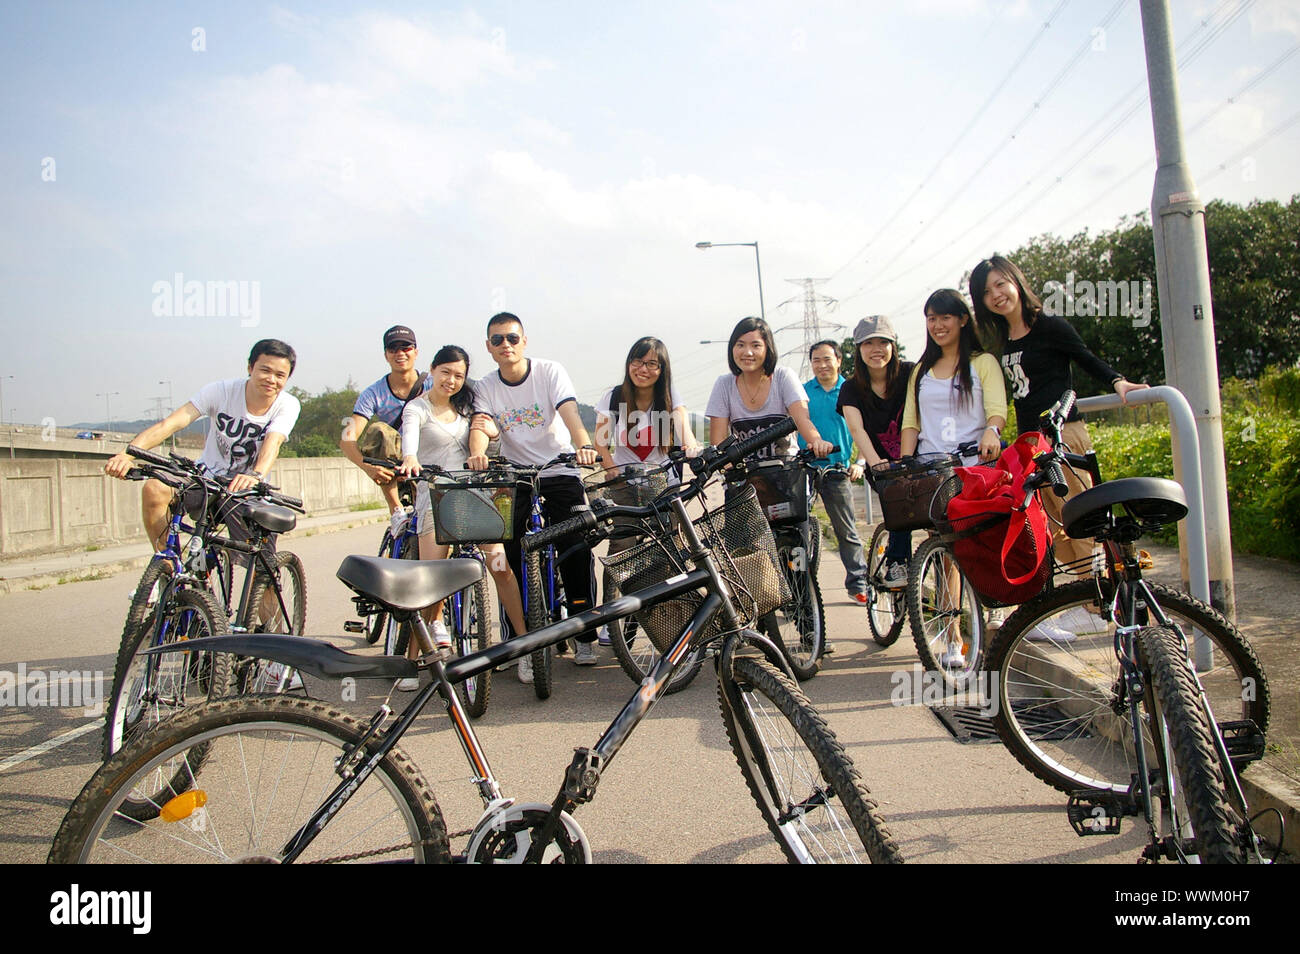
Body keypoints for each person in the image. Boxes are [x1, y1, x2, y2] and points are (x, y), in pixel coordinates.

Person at [970, 254, 1148, 575]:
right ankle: (1088, 592)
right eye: (986, 292)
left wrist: (1118, 382)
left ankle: (1097, 597)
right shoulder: (1002, 340)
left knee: (1078, 514)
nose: (996, 294)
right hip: (1033, 445)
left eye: (1000, 284)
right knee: (1051, 523)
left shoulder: (1049, 326)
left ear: (1016, 282)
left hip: (1063, 437)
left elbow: (1086, 358)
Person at [465, 313, 600, 673]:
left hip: (558, 469)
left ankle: (585, 634)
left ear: (524, 341)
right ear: (489, 347)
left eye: (512, 338)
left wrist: (584, 443)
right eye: (497, 340)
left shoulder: (549, 371)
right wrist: (477, 453)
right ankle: (515, 635)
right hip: (516, 475)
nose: (505, 345)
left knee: (575, 546)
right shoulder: (486, 385)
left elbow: (568, 410)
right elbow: (482, 424)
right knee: (507, 554)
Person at [396, 345, 530, 689]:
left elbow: (490, 449)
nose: (452, 381)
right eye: (446, 373)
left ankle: (525, 646)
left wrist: (494, 436)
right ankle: (414, 660)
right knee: (431, 582)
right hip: (435, 500)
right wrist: (410, 458)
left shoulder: (469, 410)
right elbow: (408, 440)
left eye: (458, 375)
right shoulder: (418, 409)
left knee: (500, 566)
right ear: (432, 370)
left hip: (472, 497)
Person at [104, 339, 301, 564]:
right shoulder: (220, 391)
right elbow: (170, 424)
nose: (271, 380)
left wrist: (255, 475)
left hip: (247, 490)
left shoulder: (287, 404)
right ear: (250, 368)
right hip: (206, 480)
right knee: (155, 488)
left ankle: (265, 593)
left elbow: (272, 443)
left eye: (280, 375)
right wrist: (126, 454)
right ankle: (168, 567)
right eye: (265, 370)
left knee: (261, 570)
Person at [593, 337, 701, 644]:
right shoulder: (614, 397)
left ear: (662, 368)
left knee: (672, 548)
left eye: (653, 363)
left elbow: (682, 425)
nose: (644, 369)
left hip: (662, 483)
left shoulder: (668, 395)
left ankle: (677, 614)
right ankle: (610, 617)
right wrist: (611, 467)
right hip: (625, 483)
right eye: (638, 362)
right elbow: (601, 440)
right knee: (620, 548)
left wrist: (691, 444)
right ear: (629, 364)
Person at [836, 315, 915, 588]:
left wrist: (906, 460)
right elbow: (857, 430)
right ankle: (895, 563)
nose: (876, 349)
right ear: (858, 348)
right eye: (869, 343)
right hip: (879, 462)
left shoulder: (909, 374)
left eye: (883, 342)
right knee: (898, 499)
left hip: (915, 455)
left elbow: (917, 415)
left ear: (894, 345)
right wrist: (876, 464)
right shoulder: (850, 388)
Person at [341, 325, 433, 539]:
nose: (400, 354)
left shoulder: (433, 383)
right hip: (396, 455)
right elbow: (347, 439)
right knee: (378, 430)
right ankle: (396, 511)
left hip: (430, 450)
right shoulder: (373, 393)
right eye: (393, 349)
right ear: (386, 355)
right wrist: (368, 468)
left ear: (416, 352)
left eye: (406, 348)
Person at [705, 317, 833, 461]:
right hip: (745, 476)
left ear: (768, 348)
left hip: (786, 471)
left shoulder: (783, 377)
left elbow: (801, 419)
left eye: (756, 345)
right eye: (740, 345)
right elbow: (719, 443)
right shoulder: (723, 384)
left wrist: (816, 441)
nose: (748, 352)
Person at [800, 340, 869, 604]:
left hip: (838, 468)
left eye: (827, 359)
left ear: (839, 361)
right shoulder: (803, 392)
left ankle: (858, 582)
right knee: (798, 530)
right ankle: (799, 589)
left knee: (846, 529)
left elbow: (864, 430)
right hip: (805, 468)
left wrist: (860, 462)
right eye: (816, 360)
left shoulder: (851, 390)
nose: (822, 365)